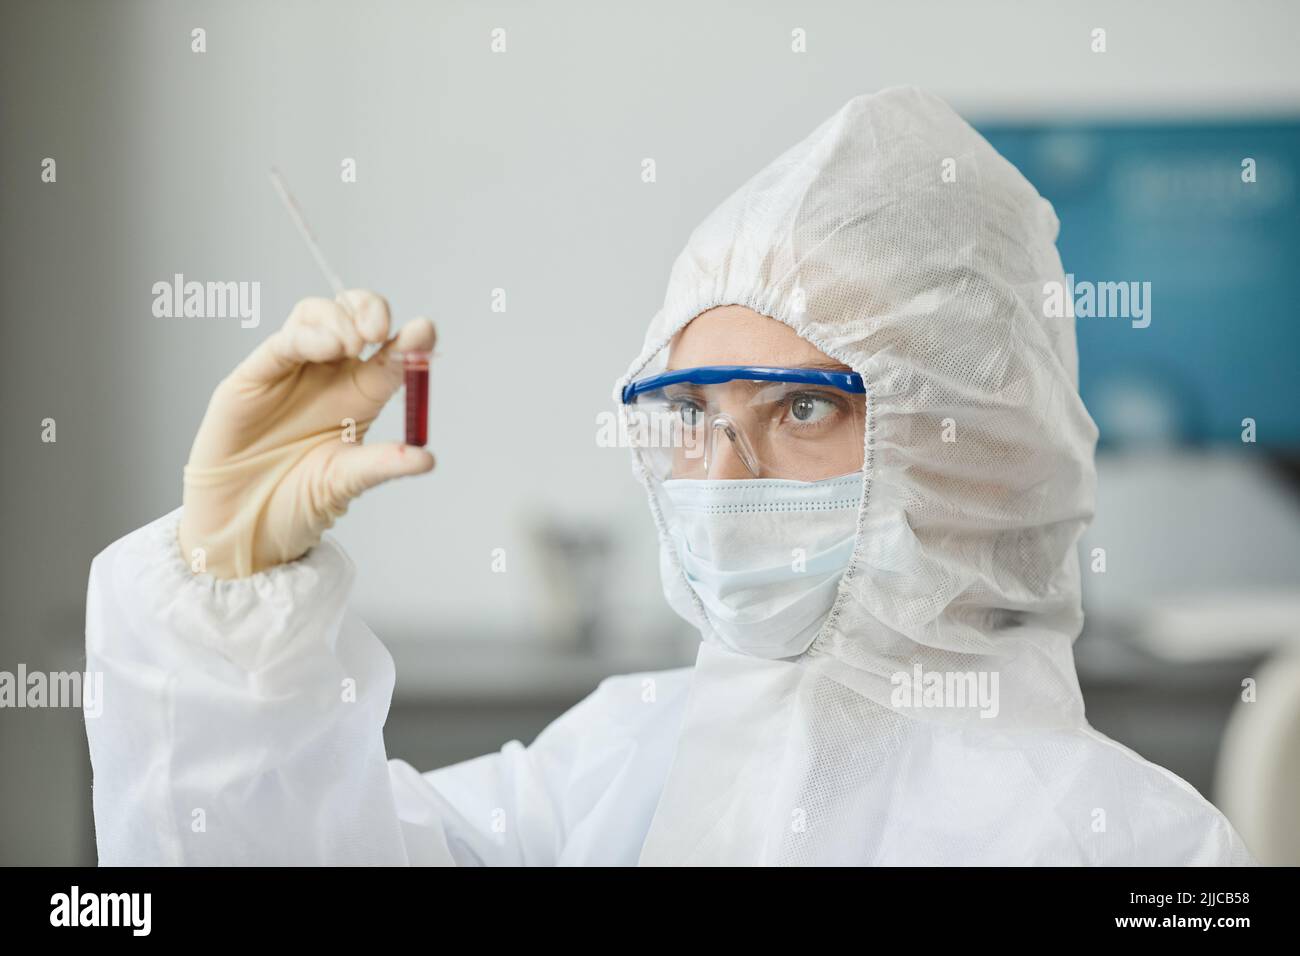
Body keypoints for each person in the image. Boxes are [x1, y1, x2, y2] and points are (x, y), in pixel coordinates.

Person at [83, 87, 1254, 865]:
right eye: (690, 410)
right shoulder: (630, 757)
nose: (724, 475)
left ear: (987, 452)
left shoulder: (1137, 851)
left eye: (801, 406)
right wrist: (227, 589)